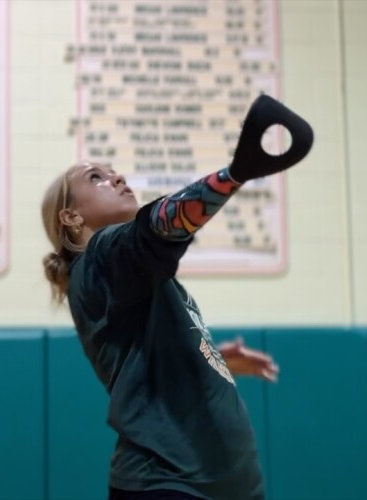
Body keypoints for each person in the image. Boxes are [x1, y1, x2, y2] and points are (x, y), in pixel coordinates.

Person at [41, 95, 313, 499]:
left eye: (113, 171)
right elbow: (158, 226)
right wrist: (234, 174)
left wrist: (210, 361)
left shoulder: (121, 276)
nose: (116, 178)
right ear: (71, 216)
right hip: (169, 484)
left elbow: (146, 363)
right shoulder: (101, 257)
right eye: (96, 177)